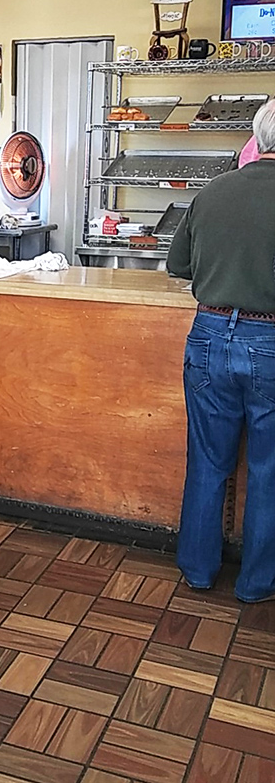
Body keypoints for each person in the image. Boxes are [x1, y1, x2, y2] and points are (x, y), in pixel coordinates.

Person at [167, 98, 275, 602]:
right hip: (271, 342)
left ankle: (198, 569)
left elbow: (179, 267)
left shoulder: (211, 192)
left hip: (208, 335)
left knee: (208, 461)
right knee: (269, 468)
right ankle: (257, 584)